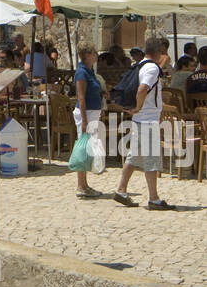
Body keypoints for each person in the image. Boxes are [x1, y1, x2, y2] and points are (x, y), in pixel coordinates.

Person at [113, 36, 173, 210]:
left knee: (133, 156)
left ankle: (121, 190)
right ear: (160, 51)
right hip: (147, 119)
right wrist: (138, 107)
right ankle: (153, 198)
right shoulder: (152, 69)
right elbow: (142, 89)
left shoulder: (138, 65)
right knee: (151, 159)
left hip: (140, 119)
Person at [72, 45, 104, 199]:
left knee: (89, 147)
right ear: (86, 55)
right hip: (86, 114)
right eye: (93, 52)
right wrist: (84, 120)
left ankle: (84, 184)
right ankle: (81, 184)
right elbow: (81, 97)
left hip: (92, 114)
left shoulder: (89, 72)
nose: (96, 54)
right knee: (84, 148)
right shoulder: (81, 73)